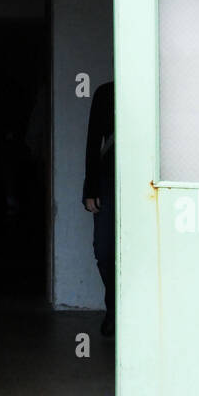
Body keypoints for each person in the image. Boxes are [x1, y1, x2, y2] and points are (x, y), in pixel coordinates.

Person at [83, 79, 115, 337]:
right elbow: (94, 142)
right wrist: (90, 189)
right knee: (104, 250)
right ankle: (114, 310)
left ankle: (123, 313)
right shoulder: (106, 93)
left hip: (143, 178)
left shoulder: (153, 88)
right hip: (107, 180)